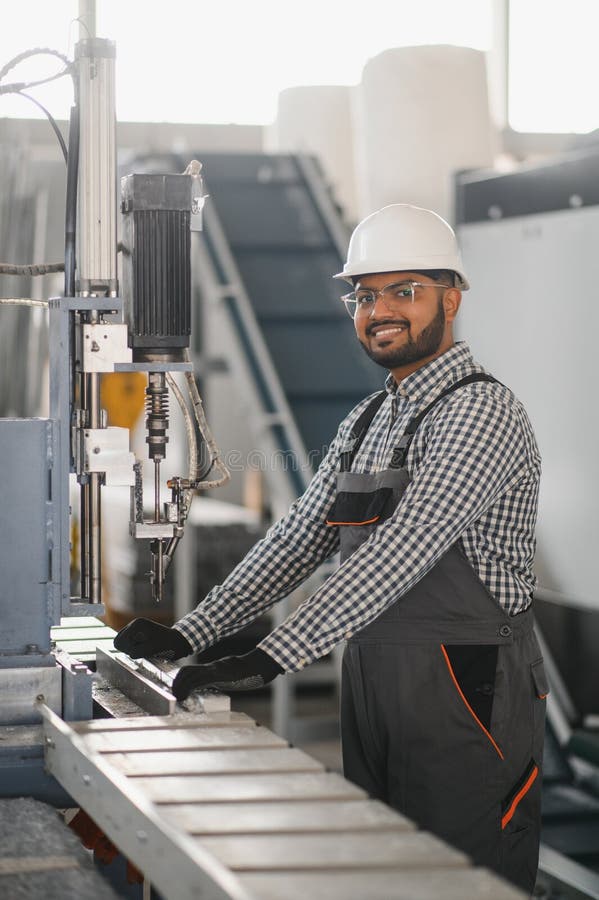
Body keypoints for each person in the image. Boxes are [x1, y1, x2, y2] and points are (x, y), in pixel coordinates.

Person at [115, 203, 546, 894]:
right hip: (374, 676)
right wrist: (188, 635)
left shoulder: (480, 411)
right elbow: (294, 540)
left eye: (403, 291)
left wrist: (269, 656)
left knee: (464, 878)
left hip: (467, 692)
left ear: (451, 297)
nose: (379, 310)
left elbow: (400, 551)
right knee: (386, 870)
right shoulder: (368, 417)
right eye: (365, 294)